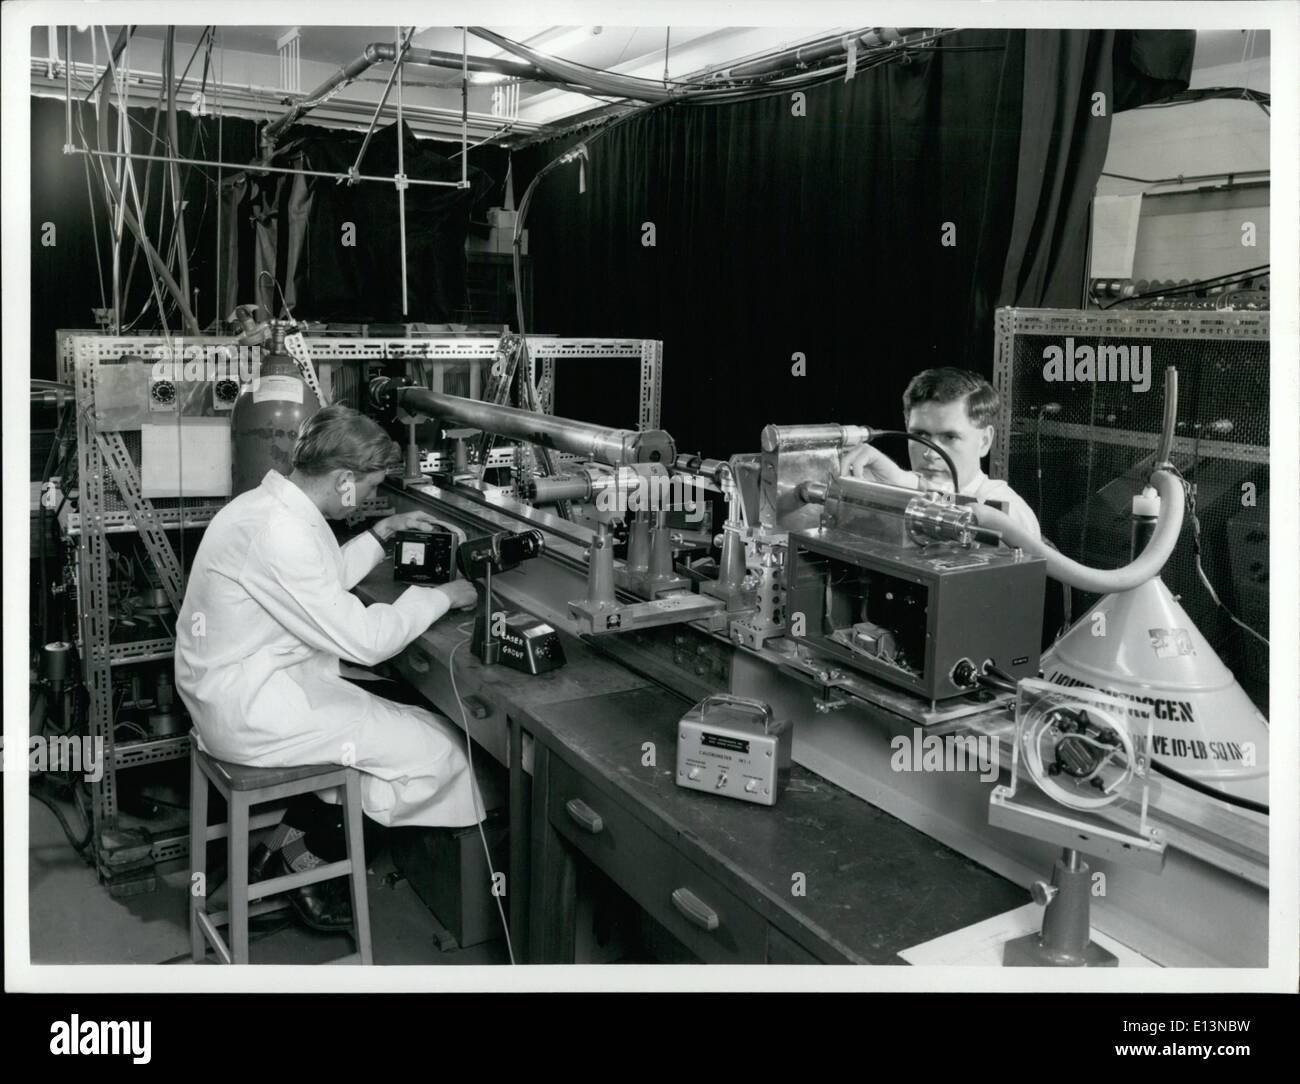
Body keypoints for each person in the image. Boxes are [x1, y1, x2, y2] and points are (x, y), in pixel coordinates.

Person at [175, 404, 481, 930]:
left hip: (246, 683)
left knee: (408, 718)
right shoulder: (281, 531)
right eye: (368, 488)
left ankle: (287, 846)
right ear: (343, 479)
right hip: (249, 706)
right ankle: (309, 862)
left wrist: (383, 533)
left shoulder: (274, 507)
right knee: (443, 751)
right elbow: (365, 641)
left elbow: (320, 580)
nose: (368, 497)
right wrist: (442, 598)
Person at [840, 367, 1041, 538]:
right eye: (920, 434)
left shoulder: (1011, 510)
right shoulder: (896, 481)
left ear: (985, 441)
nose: (930, 453)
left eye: (950, 437)